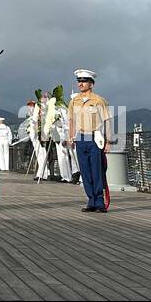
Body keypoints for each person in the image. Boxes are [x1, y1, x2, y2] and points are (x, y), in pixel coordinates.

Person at [68, 69, 111, 213]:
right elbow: (71, 120)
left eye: (84, 81)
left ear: (91, 84)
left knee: (96, 171)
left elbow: (107, 120)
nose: (81, 84)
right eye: (79, 81)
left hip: (95, 138)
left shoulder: (98, 100)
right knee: (85, 172)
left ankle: (99, 202)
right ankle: (91, 201)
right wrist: (71, 136)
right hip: (80, 138)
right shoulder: (74, 101)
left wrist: (109, 141)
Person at [53, 96, 78, 183]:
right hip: (67, 135)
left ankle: (77, 175)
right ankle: (73, 175)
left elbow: (67, 125)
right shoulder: (66, 111)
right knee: (71, 155)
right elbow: (64, 126)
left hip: (76, 136)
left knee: (75, 155)